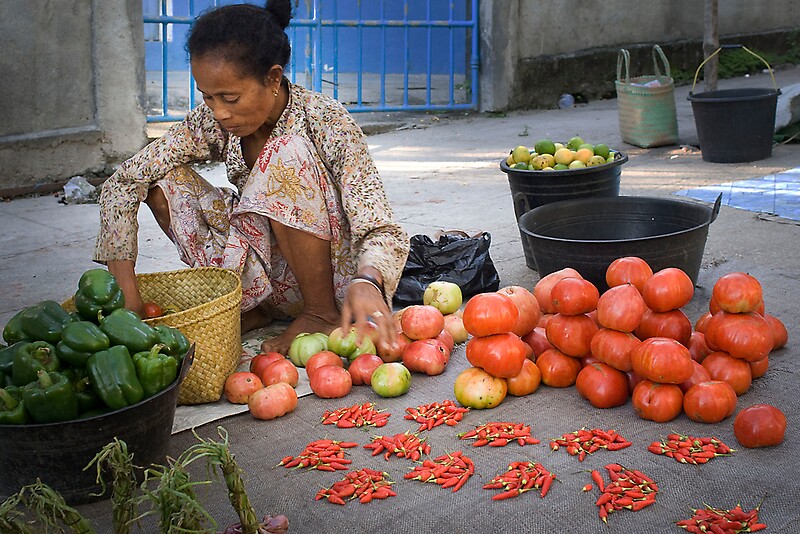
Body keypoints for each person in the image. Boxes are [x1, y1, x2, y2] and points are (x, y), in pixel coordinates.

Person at [93, 0, 410, 355]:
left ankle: (319, 313)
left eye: (230, 97)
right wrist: (129, 300)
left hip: (339, 283)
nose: (220, 112)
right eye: (208, 98)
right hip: (264, 280)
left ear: (273, 78)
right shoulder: (211, 122)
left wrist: (369, 279)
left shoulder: (325, 121)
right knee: (161, 182)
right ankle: (254, 307)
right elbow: (123, 180)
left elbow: (381, 225)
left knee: (284, 152)